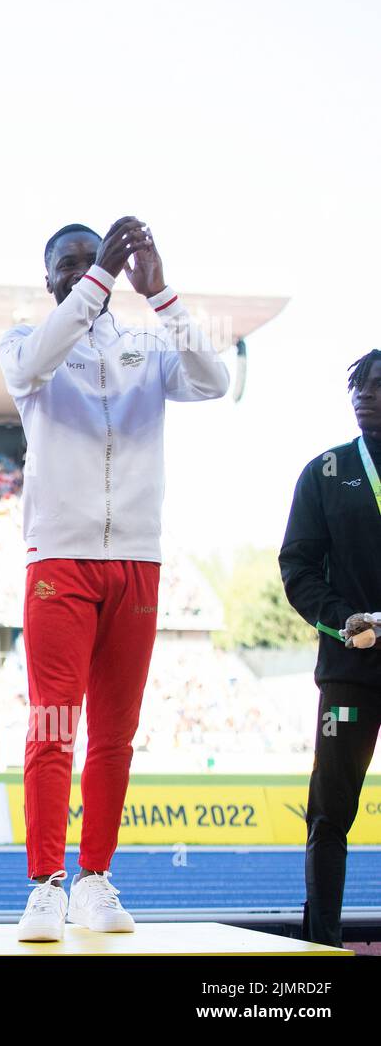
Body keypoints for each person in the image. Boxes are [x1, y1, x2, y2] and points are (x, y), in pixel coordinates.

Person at [0, 218, 229, 942]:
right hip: (59, 559)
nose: (83, 273)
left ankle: (95, 875)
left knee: (115, 733)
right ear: (51, 281)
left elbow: (214, 380)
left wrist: (160, 294)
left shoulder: (145, 348)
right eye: (69, 265)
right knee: (52, 723)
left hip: (137, 557)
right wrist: (102, 275)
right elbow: (32, 365)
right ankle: (44, 882)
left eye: (92, 262)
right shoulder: (25, 345)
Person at [280, 349, 381, 948]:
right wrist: (345, 620)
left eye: (378, 385)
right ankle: (321, 944)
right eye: (359, 386)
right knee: (329, 814)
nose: (364, 394)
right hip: (349, 669)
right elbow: (297, 566)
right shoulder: (324, 472)